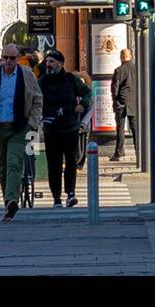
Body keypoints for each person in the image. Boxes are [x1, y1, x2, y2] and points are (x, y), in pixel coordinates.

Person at [0, 43, 43, 221]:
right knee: (3, 166)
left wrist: (32, 123)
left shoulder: (27, 75)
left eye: (12, 58)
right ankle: (8, 201)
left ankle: (12, 200)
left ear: (17, 58)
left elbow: (37, 99)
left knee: (14, 162)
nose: (8, 61)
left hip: (18, 126)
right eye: (5, 58)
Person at [39, 49, 91, 209]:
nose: (48, 65)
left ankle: (70, 193)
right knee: (53, 165)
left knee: (70, 162)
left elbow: (87, 93)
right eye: (47, 61)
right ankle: (56, 198)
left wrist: (82, 105)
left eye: (52, 62)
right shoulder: (42, 81)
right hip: (51, 129)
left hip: (69, 128)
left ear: (60, 64)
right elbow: (34, 97)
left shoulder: (71, 79)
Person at [110, 49, 137, 161]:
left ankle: (119, 152)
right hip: (134, 102)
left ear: (121, 57)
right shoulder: (137, 69)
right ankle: (139, 151)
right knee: (135, 128)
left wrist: (115, 100)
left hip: (121, 102)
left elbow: (114, 88)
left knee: (120, 128)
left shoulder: (119, 70)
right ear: (131, 56)